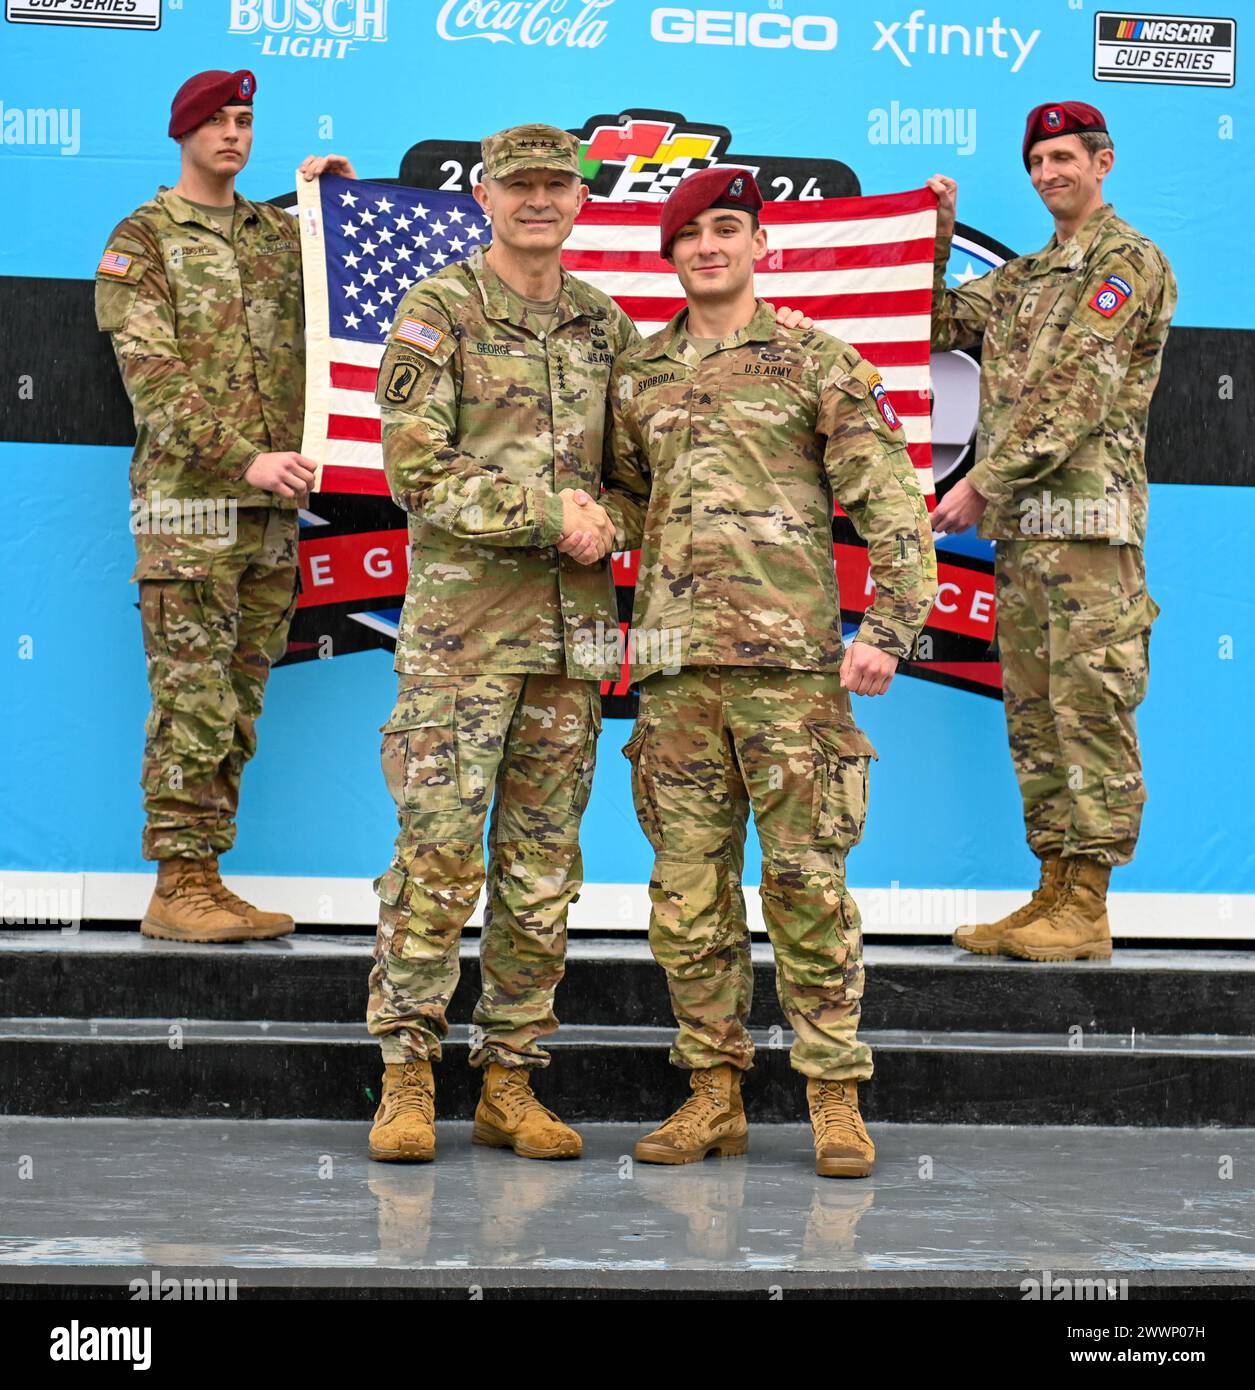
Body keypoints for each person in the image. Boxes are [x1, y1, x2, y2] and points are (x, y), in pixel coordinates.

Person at [364, 127, 812, 1164]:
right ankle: (405, 1077)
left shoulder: (605, 327)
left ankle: (509, 1079)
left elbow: (629, 479)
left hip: (568, 650)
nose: (536, 201)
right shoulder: (440, 311)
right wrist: (543, 513)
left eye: (554, 186)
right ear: (484, 197)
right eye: (518, 186)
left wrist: (601, 515)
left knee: (538, 870)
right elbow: (412, 470)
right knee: (433, 861)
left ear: (577, 199)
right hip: (460, 647)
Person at [606, 168, 937, 1178]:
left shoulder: (815, 364)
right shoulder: (638, 376)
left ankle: (834, 1097)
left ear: (760, 245)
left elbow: (892, 504)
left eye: (726, 230)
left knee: (806, 887)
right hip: (672, 677)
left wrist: (887, 625)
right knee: (687, 894)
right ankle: (713, 1093)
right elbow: (626, 506)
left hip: (792, 675)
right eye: (690, 234)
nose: (708, 246)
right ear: (668, 255)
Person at [94, 69, 355, 943]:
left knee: (237, 701)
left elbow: (340, 289)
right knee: (191, 699)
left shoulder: (277, 235)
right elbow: (154, 383)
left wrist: (340, 210)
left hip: (270, 516)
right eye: (217, 122)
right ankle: (176, 881)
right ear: (184, 134)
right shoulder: (144, 238)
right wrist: (245, 458)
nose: (234, 136)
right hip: (190, 516)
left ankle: (205, 872)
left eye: (245, 121)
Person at [928, 102, 1176, 961]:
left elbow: (1077, 393)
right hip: (1027, 539)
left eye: (1064, 158)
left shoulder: (1127, 262)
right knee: (1036, 714)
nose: (1047, 175)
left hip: (1087, 535)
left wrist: (979, 485)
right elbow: (938, 323)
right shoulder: (1025, 276)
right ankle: (1052, 893)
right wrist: (934, 236)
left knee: (1090, 709)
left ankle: (1091, 903)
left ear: (1102, 161)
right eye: (1037, 162)